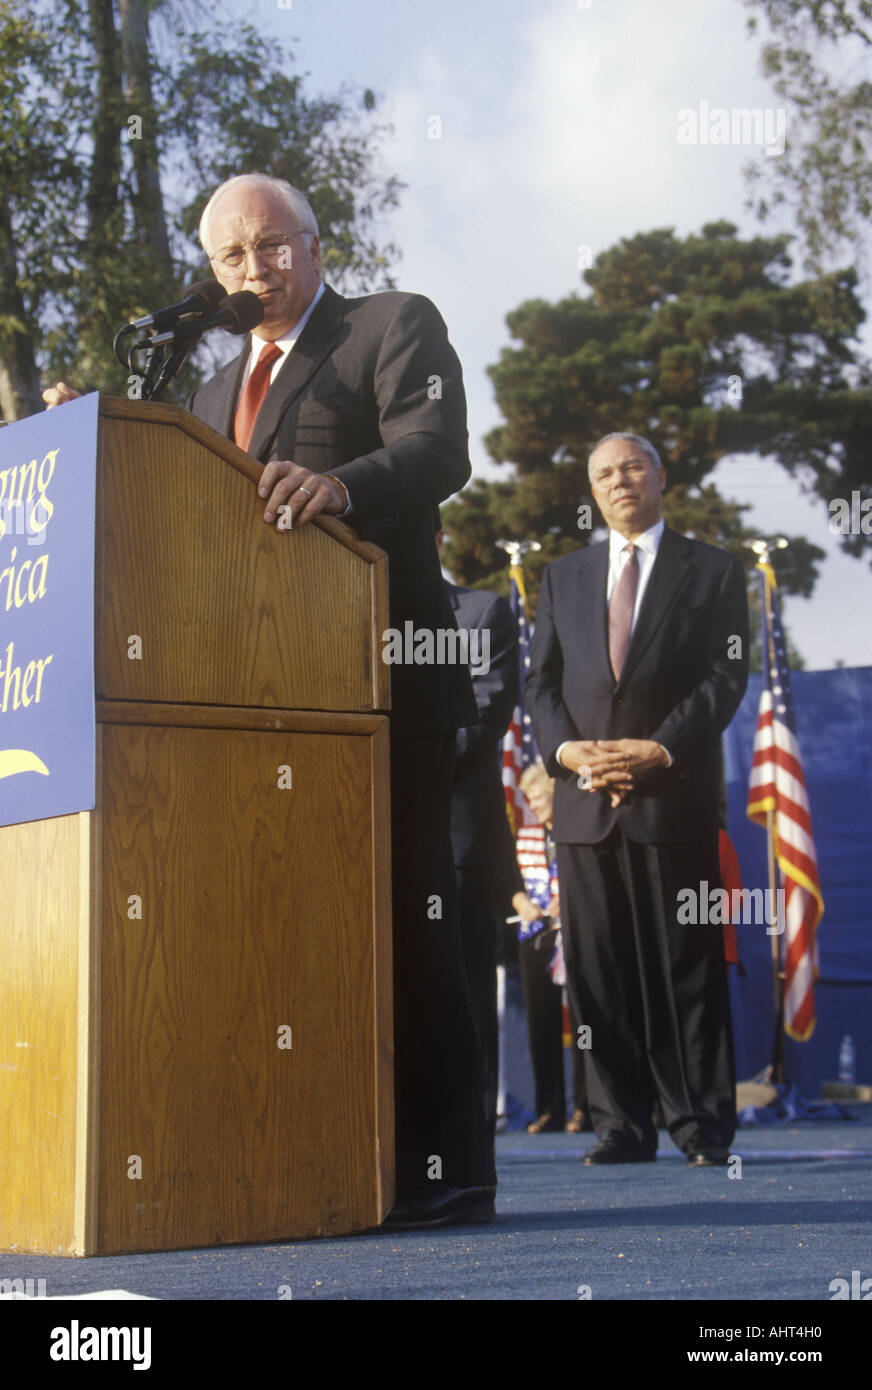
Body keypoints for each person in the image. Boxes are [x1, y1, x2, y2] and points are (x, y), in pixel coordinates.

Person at [44, 172, 495, 1228]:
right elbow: (171, 503)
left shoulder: (387, 324)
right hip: (253, 699)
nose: (259, 269)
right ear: (212, 275)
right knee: (282, 927)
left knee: (403, 911)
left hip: (382, 672)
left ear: (317, 244)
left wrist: (341, 487)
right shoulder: (204, 395)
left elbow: (438, 452)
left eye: (275, 246)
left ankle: (443, 1167)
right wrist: (92, 446)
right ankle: (304, 1149)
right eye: (234, 258)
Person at [526, 432, 749, 1166]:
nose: (618, 481)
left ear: (659, 476)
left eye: (631, 467)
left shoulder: (715, 572)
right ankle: (621, 1123)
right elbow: (541, 685)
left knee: (687, 969)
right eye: (603, 474)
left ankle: (701, 1124)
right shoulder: (560, 578)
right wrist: (568, 754)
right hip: (585, 808)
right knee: (597, 976)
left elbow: (723, 678)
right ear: (592, 492)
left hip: (672, 799)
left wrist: (658, 750)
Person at [436, 517, 518, 1138]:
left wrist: (391, 759)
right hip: (361, 831)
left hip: (456, 833)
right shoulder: (345, 596)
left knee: (460, 982)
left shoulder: (482, 613)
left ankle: (468, 1137)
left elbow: (483, 713)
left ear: (436, 539)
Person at [511, 763, 589, 1135]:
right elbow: (507, 882)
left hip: (575, 935)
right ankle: (550, 1109)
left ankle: (587, 1107)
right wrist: (520, 903)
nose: (535, 806)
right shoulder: (525, 838)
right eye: (530, 800)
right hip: (535, 938)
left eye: (540, 798)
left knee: (583, 1023)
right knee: (541, 1024)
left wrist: (568, 900)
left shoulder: (579, 832)